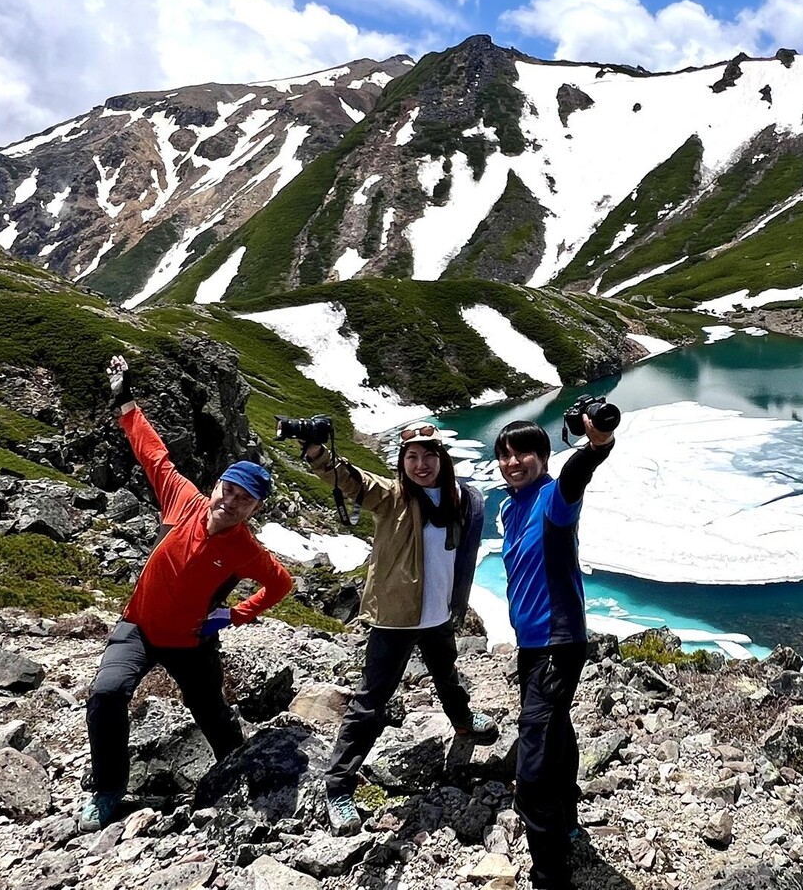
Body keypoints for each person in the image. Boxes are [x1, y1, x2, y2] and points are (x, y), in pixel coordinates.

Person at [80, 356, 293, 832]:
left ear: (254, 509)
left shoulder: (246, 549)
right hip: (138, 627)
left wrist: (235, 616)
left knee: (212, 713)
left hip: (192, 642)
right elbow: (153, 454)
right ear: (217, 486)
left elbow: (281, 583)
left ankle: (236, 771)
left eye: (244, 500)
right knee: (107, 693)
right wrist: (124, 400)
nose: (230, 502)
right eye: (228, 490)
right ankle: (108, 788)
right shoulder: (184, 500)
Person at [304, 422, 496, 836]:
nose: (421, 465)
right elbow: (353, 481)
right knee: (371, 702)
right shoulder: (392, 496)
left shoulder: (460, 497)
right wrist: (320, 455)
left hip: (439, 614)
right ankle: (339, 786)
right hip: (396, 618)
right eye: (412, 457)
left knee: (447, 675)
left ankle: (462, 721)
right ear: (402, 462)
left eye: (429, 456)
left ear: (442, 459)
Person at [497, 413, 616, 890]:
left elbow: (573, 479)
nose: (512, 461)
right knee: (556, 730)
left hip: (556, 643)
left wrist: (596, 446)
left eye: (523, 451)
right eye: (504, 453)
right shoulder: (514, 506)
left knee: (533, 765)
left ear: (543, 458)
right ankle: (567, 818)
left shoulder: (550, 498)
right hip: (535, 645)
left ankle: (551, 875)